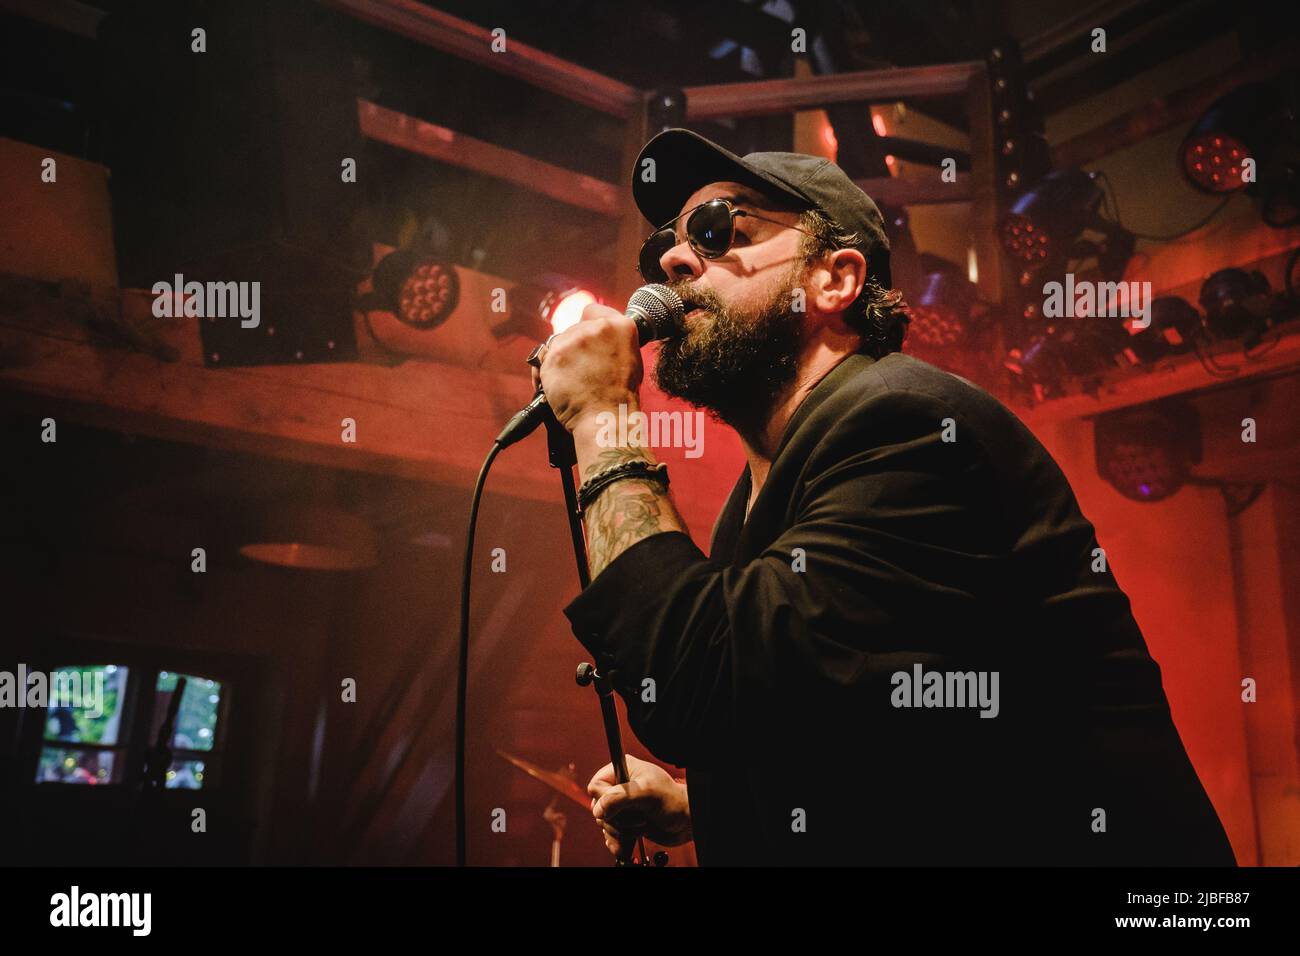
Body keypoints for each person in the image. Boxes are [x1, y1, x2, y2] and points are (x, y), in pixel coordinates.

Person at [532, 127, 1235, 866]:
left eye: (717, 228)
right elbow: (855, 715)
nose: (673, 259)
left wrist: (604, 415)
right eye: (663, 250)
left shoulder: (907, 426)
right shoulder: (757, 497)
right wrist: (708, 803)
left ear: (834, 280)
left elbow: (700, 681)